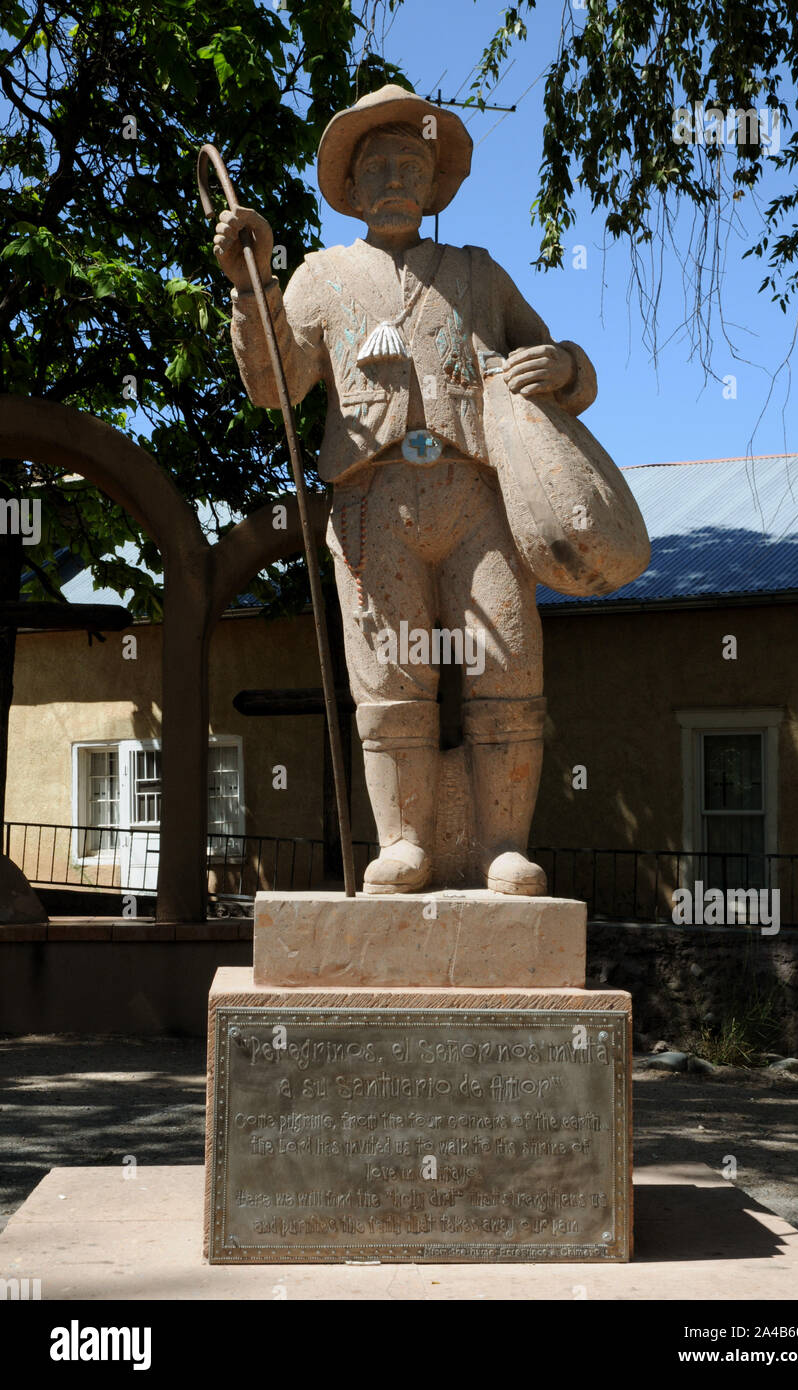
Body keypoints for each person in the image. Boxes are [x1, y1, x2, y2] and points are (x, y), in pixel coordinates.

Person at [215, 84, 597, 897]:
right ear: (350, 188)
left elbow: (562, 369)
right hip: (371, 502)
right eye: (377, 167)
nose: (394, 179)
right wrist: (253, 287)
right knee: (390, 678)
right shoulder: (320, 277)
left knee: (505, 665)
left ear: (434, 187)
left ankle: (502, 846)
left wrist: (564, 365)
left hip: (479, 496)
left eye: (411, 166)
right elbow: (274, 387)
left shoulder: (477, 274)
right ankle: (403, 843)